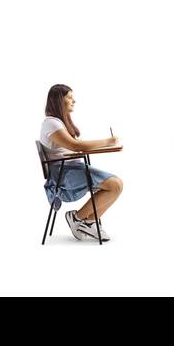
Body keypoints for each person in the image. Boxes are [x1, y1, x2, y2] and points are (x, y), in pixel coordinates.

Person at [39, 84, 122, 241]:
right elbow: (75, 146)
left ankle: (88, 222)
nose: (73, 101)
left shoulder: (59, 123)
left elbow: (75, 147)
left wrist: (102, 146)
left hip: (71, 169)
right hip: (64, 174)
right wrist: (108, 142)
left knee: (116, 185)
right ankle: (78, 218)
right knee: (115, 185)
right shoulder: (51, 123)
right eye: (69, 97)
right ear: (58, 100)